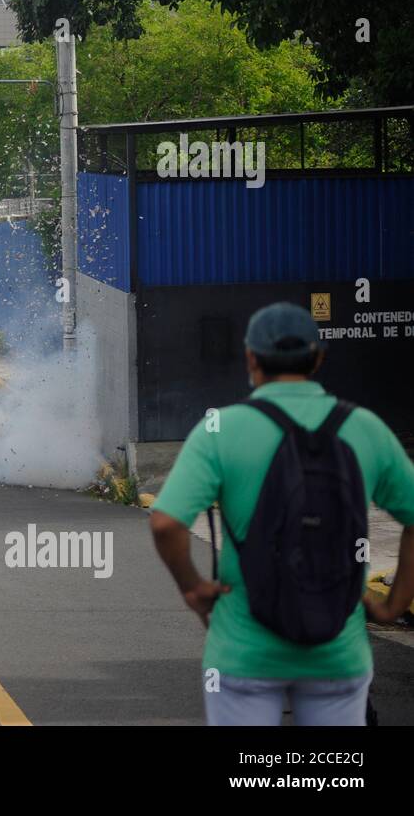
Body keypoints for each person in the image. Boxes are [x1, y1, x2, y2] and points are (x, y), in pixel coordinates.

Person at [151, 302, 414, 726]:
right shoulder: (365, 427)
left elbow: (165, 522)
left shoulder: (220, 429)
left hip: (243, 653)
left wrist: (193, 587)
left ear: (251, 358)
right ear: (319, 358)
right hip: (338, 653)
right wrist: (393, 604)